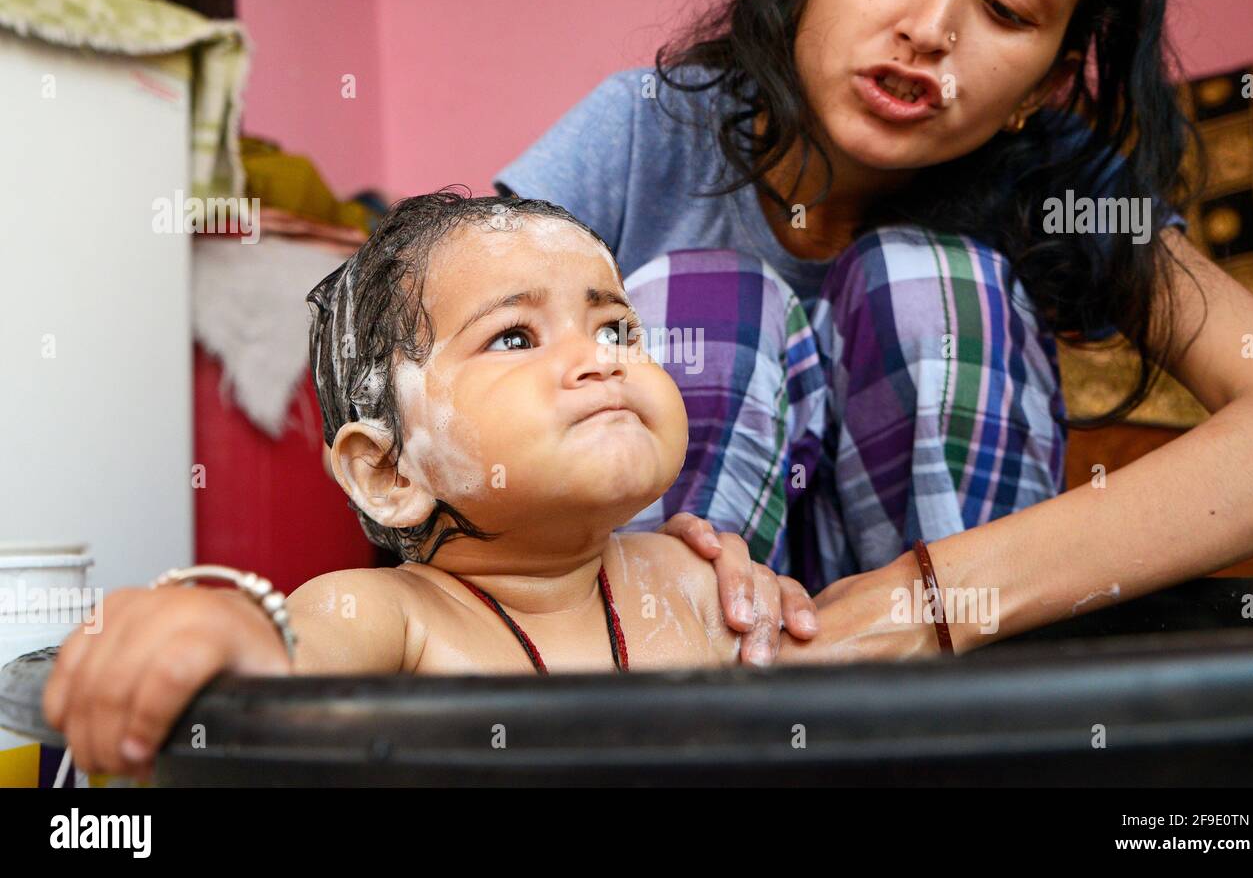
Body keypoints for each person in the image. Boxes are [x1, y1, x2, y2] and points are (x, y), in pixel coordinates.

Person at [492, 0, 1253, 665]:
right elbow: (428, 357)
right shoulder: (643, 130)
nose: (930, 28)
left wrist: (924, 604)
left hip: (941, 665)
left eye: (1009, 9)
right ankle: (646, 684)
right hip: (658, 657)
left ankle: (958, 723)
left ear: (1041, 87)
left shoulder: (1064, 185)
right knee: (706, 304)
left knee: (926, 283)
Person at [43, 191, 770, 782]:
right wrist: (224, 633)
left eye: (615, 329)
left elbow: (851, 685)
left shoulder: (695, 582)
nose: (599, 359)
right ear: (390, 472)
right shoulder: (391, 616)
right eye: (515, 336)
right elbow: (292, 650)